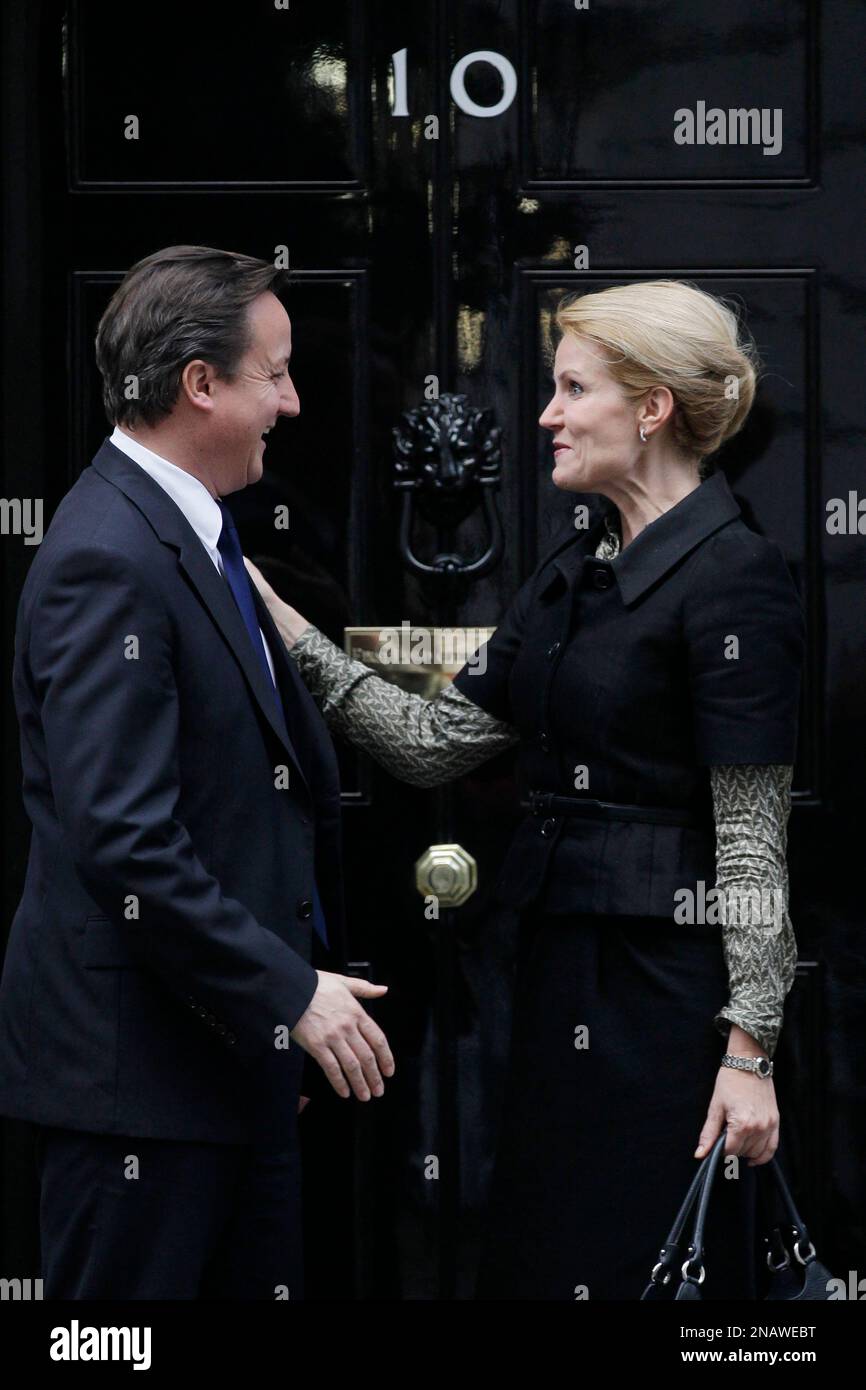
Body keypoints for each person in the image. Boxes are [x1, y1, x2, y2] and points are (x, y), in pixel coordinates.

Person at [245, 279, 806, 1300]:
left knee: (657, 1267)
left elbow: (750, 841)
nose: (543, 414)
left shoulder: (736, 580)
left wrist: (749, 1050)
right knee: (550, 1258)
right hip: (557, 978)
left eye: (569, 387)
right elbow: (430, 744)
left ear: (651, 408)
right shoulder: (574, 564)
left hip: (671, 1003)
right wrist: (280, 624)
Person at [0, 245, 394, 1300]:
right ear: (201, 384)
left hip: (219, 1072)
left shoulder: (191, 538)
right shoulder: (106, 558)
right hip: (139, 1090)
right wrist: (288, 995)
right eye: (275, 373)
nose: (294, 402)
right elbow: (123, 838)